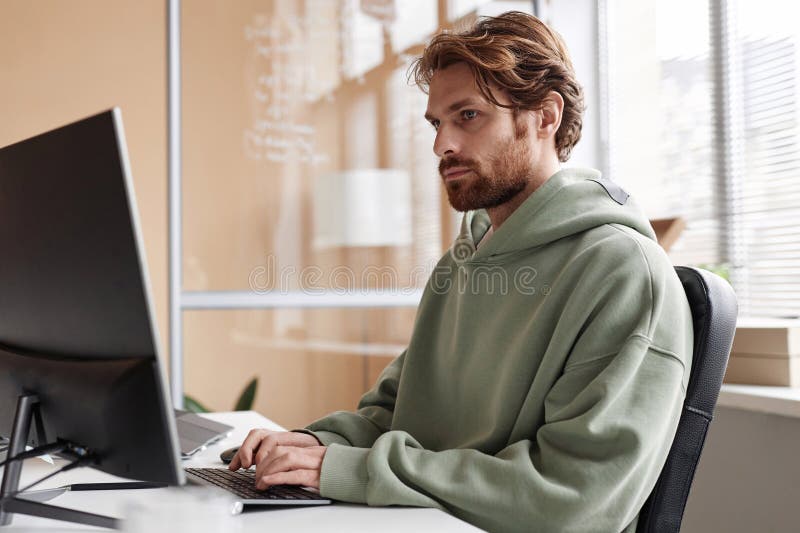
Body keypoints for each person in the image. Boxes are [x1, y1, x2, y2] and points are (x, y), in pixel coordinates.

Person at [229, 11, 693, 533]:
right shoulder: (463, 262)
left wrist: (351, 471)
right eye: (436, 123)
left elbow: (573, 497)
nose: (441, 145)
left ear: (545, 116)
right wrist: (314, 446)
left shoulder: (623, 273)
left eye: (468, 116)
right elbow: (396, 412)